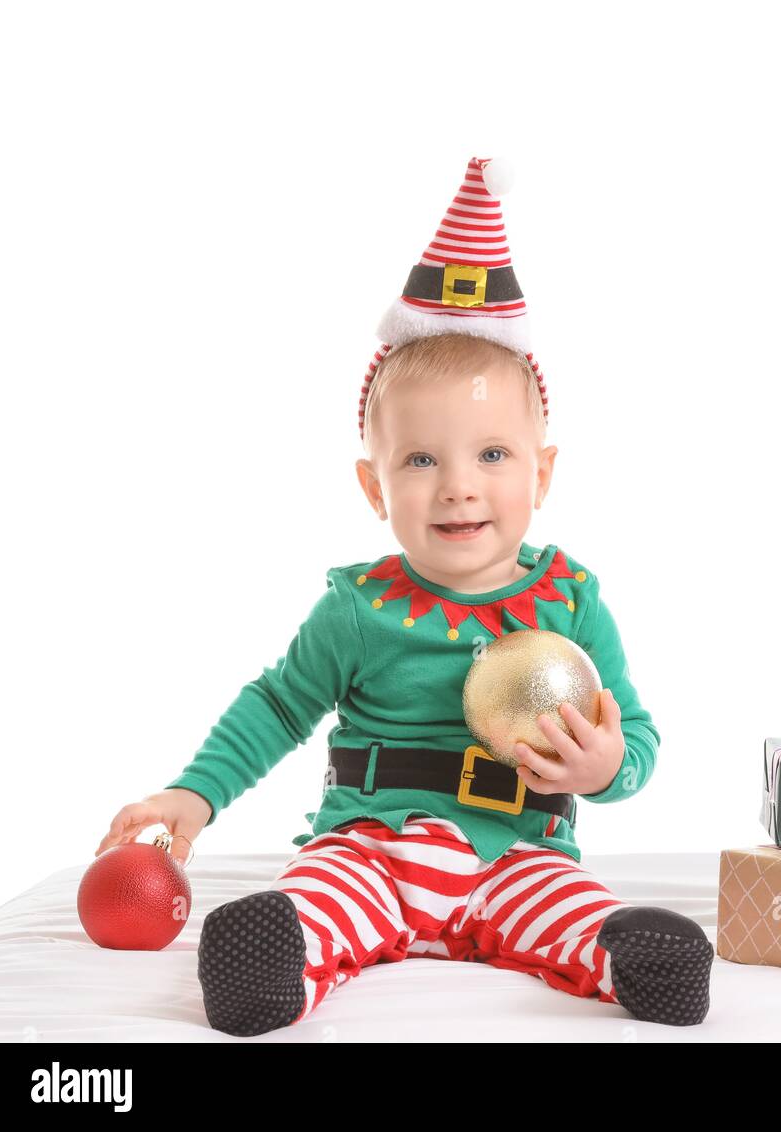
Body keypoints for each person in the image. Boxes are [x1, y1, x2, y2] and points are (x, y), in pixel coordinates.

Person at [94, 156, 713, 1035]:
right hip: (373, 842)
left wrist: (605, 769)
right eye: (421, 460)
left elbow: (637, 736)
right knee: (326, 892)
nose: (459, 486)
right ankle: (280, 956)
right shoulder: (360, 605)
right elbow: (276, 706)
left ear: (542, 473)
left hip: (519, 848)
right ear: (373, 487)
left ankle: (628, 956)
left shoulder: (571, 599)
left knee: (562, 904)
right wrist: (190, 799)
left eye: (492, 455)